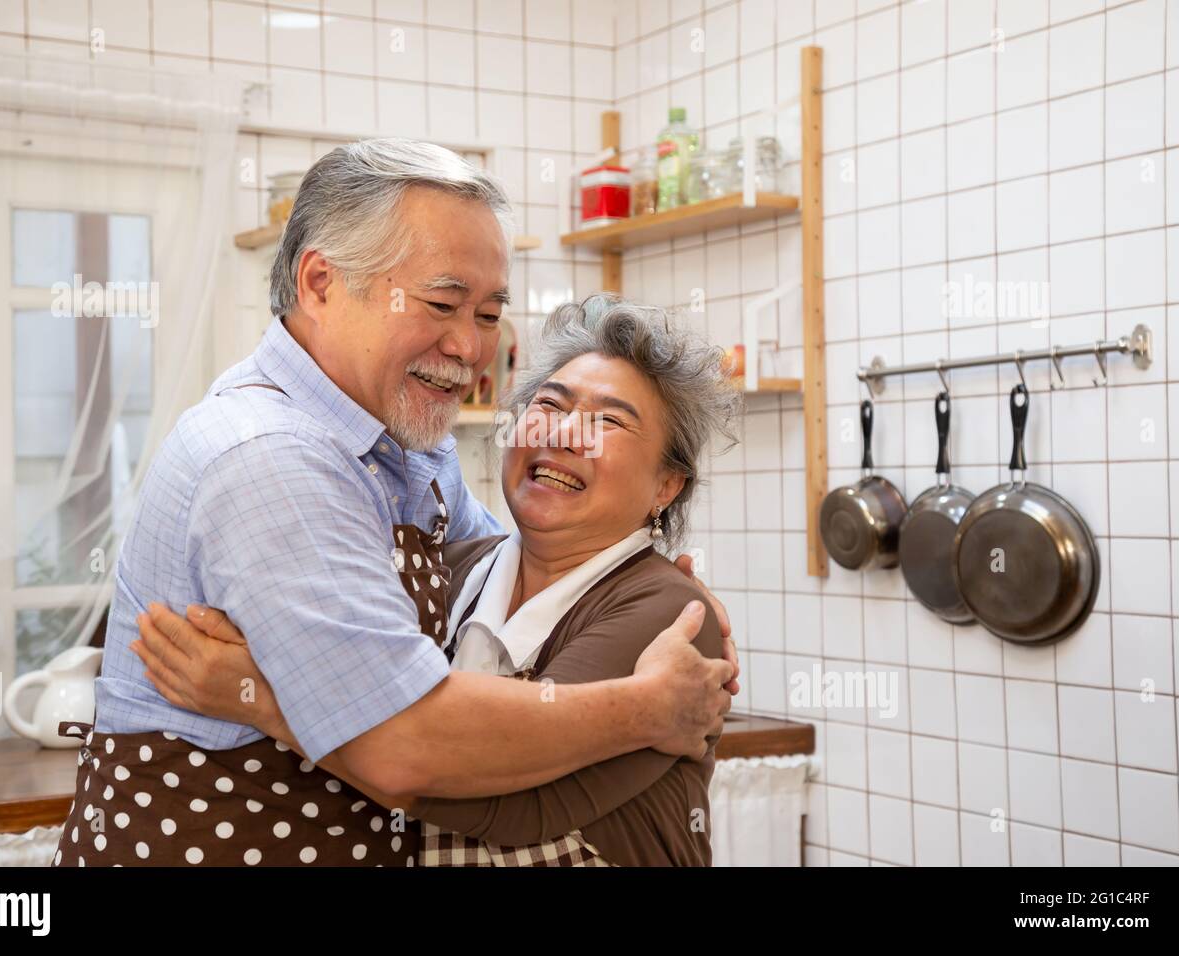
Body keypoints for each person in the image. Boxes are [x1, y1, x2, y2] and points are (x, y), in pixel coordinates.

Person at [52, 140, 736, 868]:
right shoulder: (271, 457)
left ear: (670, 483)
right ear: (320, 282)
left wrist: (253, 692)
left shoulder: (407, 442)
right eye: (443, 304)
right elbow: (405, 746)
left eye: (487, 314)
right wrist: (651, 707)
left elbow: (507, 563)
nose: (470, 348)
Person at [137, 294, 741, 866]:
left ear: (667, 485)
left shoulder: (669, 613)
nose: (563, 434)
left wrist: (259, 698)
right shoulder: (454, 569)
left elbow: (506, 801)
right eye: (550, 406)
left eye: (609, 422)